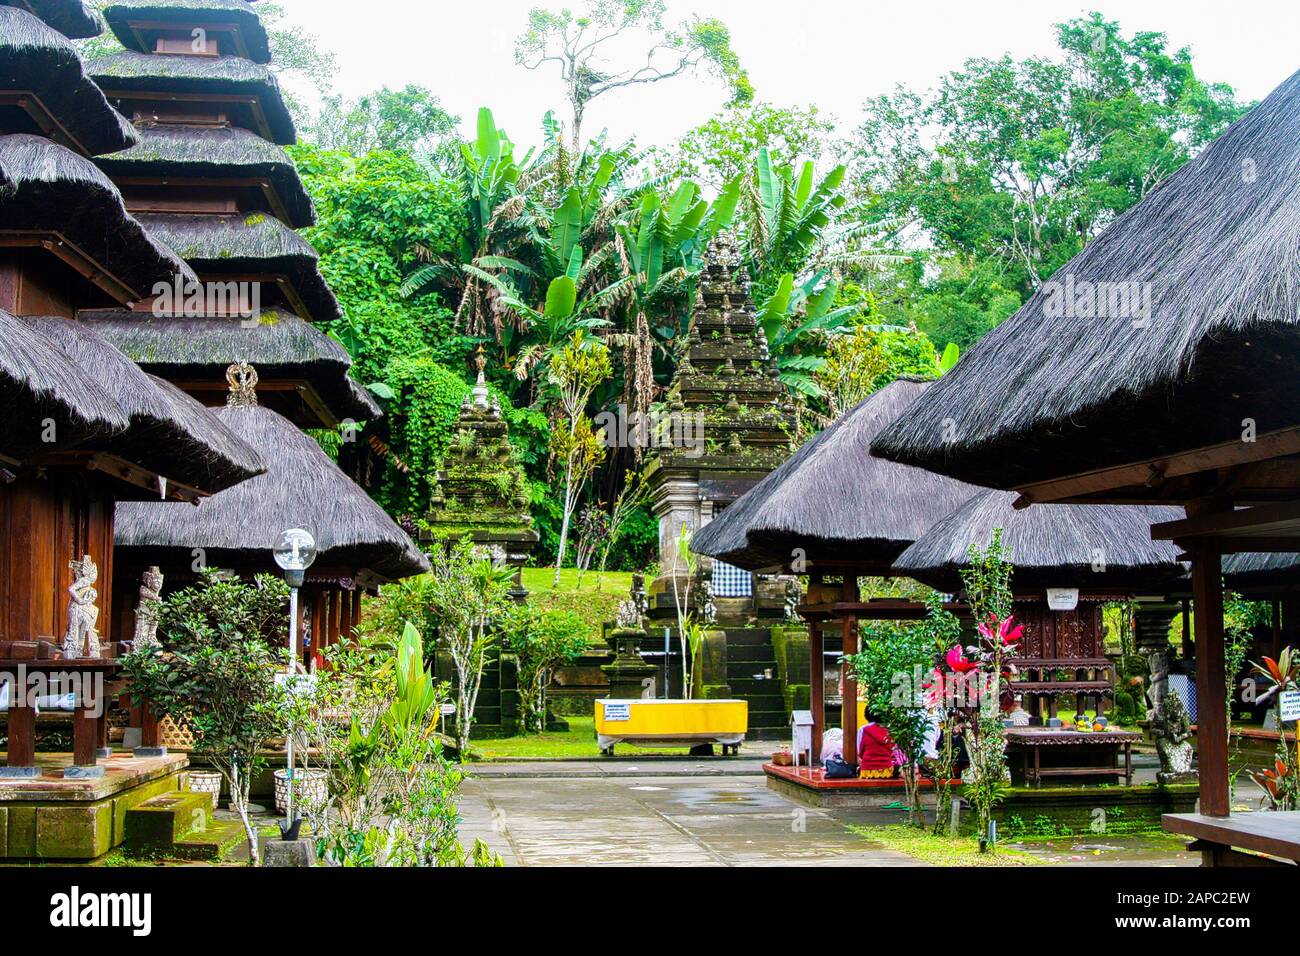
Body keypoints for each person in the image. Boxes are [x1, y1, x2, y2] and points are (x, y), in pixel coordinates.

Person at [858, 708, 897, 779]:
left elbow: (861, 750)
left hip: (867, 769)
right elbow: (893, 749)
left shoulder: (865, 730)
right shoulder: (890, 731)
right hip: (886, 769)